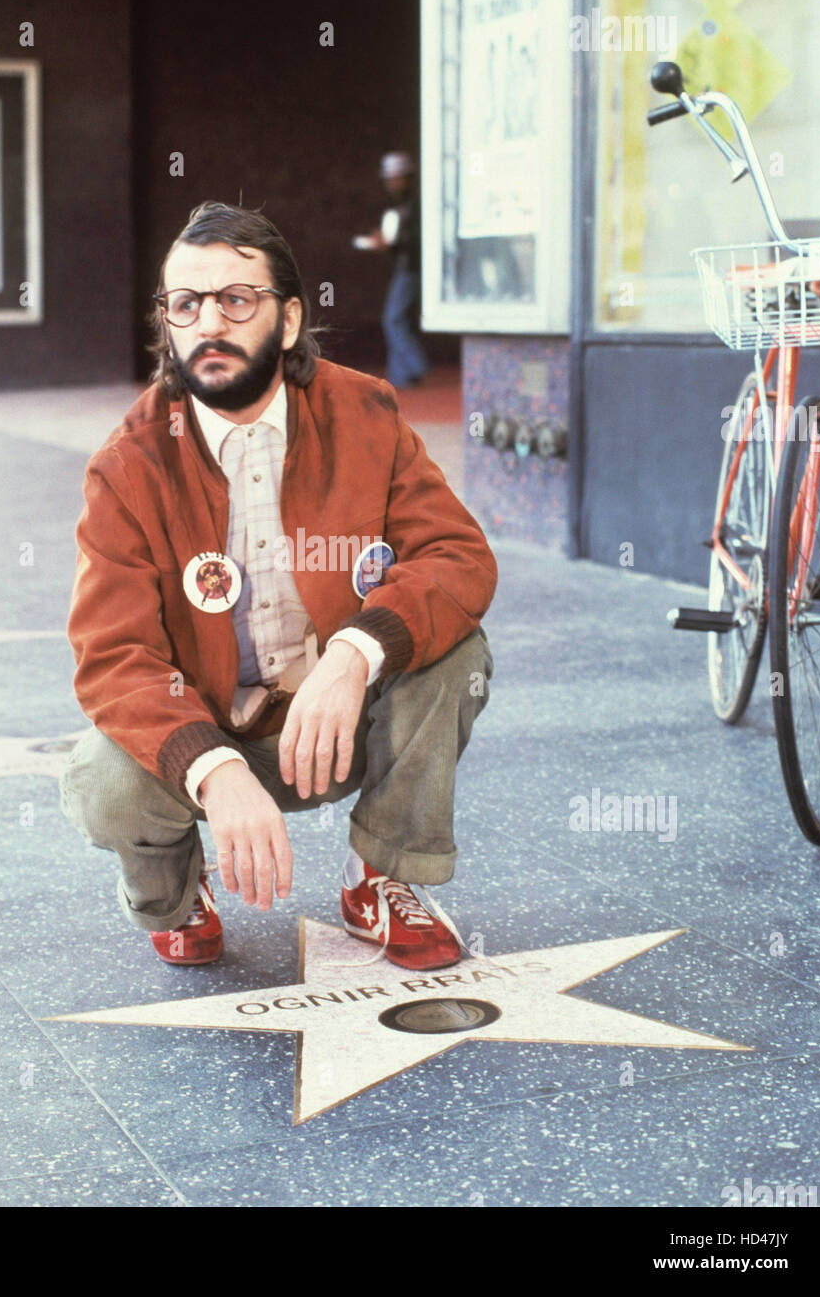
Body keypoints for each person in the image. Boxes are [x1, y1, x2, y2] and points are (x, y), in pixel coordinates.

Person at [59, 201, 496, 970]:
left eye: (237, 299)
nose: (209, 323)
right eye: (185, 304)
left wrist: (357, 651)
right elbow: (113, 655)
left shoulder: (364, 413)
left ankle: (380, 878)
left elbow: (457, 556)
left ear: (289, 320)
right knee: (104, 782)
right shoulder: (128, 466)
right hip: (214, 730)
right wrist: (215, 769)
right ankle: (176, 891)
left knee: (456, 655)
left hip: (340, 719)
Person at [353, 151, 429, 389]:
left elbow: (418, 240)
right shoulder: (402, 205)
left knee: (393, 320)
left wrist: (392, 242)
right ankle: (401, 375)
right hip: (404, 267)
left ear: (406, 177)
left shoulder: (416, 205)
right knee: (398, 320)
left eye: (395, 178)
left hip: (412, 269)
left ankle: (417, 365)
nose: (390, 183)